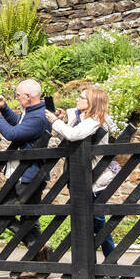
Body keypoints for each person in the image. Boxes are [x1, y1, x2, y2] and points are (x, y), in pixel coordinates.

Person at [0, 78, 51, 264]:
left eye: (18, 95)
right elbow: (20, 126)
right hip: (24, 173)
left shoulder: (38, 117)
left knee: (22, 216)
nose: (16, 97)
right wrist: (4, 108)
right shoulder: (34, 112)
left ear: (28, 96)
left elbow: (12, 134)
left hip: (30, 174)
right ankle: (39, 251)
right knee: (17, 214)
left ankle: (38, 255)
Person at [46, 85, 117, 260]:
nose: (77, 99)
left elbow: (73, 135)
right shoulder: (82, 118)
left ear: (93, 102)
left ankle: (111, 262)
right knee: (83, 222)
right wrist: (62, 119)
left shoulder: (95, 121)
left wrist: (55, 122)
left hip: (93, 179)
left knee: (97, 222)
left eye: (82, 97)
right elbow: (68, 138)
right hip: (79, 176)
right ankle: (91, 262)